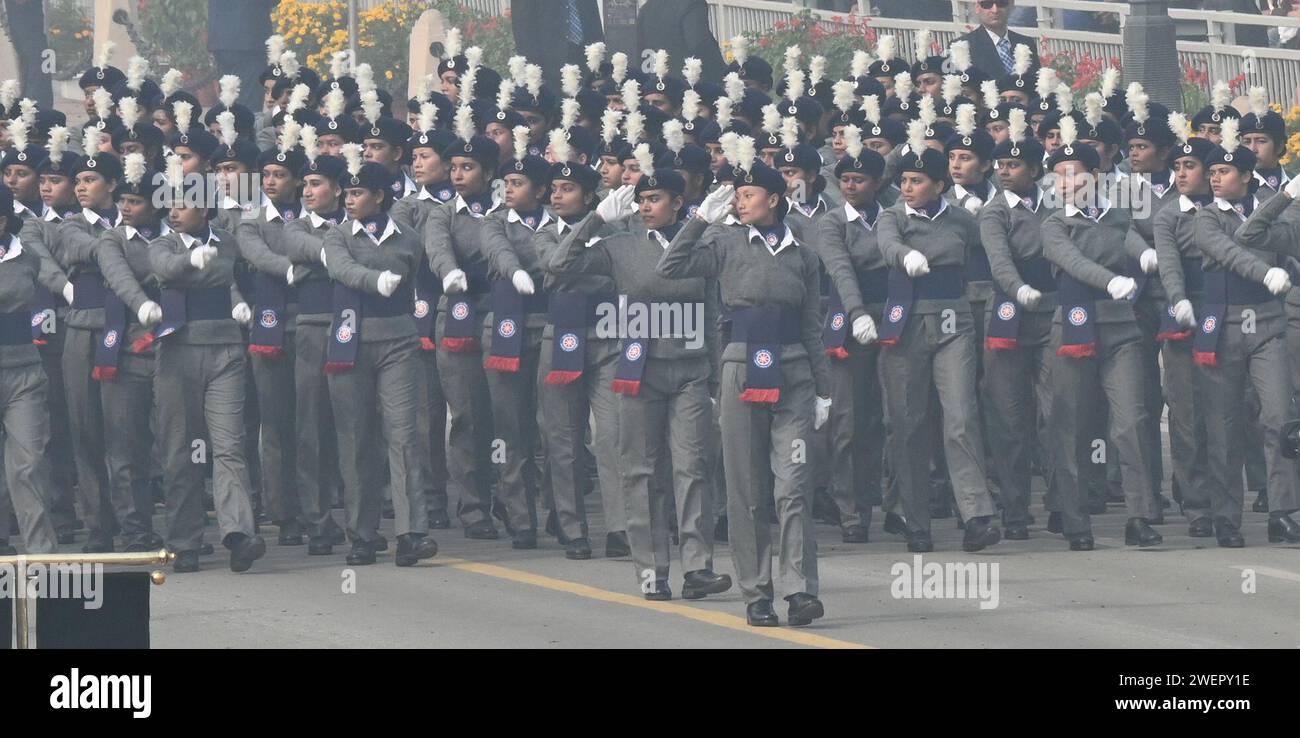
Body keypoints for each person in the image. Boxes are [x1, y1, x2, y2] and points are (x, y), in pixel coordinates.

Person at [656, 138, 826, 627]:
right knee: (747, 489)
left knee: (792, 486)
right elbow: (670, 267)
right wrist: (701, 220)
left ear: (774, 199)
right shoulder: (725, 242)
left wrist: (825, 390)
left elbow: (813, 325)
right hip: (740, 367)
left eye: (747, 194)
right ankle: (757, 591)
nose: (739, 202)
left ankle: (798, 590)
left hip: (793, 371)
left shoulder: (803, 255)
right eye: (737, 195)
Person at [550, 147, 728, 601]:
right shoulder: (620, 244)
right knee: (641, 471)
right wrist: (594, 220)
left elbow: (711, 310)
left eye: (655, 199)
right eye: (641, 199)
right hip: (638, 369)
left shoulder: (702, 244)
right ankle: (652, 570)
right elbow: (560, 266)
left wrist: (713, 375)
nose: (645, 206)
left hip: (689, 371)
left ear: (678, 203)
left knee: (693, 468)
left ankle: (697, 568)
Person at [875, 121, 1003, 554]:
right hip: (906, 322)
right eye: (904, 180)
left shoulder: (963, 220)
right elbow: (887, 245)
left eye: (917, 181)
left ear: (940, 185)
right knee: (909, 423)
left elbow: (976, 256)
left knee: (961, 417)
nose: (907, 188)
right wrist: (906, 255)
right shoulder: (892, 217)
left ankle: (977, 515)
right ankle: (915, 519)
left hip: (954, 321)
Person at [1040, 117, 1158, 551]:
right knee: (1071, 426)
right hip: (1073, 330)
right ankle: (1074, 519)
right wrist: (1111, 281)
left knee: (1131, 421)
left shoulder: (1118, 214)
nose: (1066, 182)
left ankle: (1141, 514)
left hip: (1120, 331)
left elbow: (1129, 240)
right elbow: (1071, 261)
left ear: (1096, 176)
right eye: (1060, 175)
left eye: (1075, 174)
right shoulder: (1054, 225)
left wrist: (1145, 255)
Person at [320, 147, 439, 567]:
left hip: (399, 342)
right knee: (356, 440)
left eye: (357, 193)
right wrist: (377, 280)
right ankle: (362, 534)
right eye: (347, 193)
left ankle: (412, 532)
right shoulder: (337, 235)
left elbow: (422, 285)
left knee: (404, 436)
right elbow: (341, 270)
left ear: (380, 197)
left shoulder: (409, 238)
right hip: (350, 342)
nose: (349, 200)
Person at [149, 156, 267, 573]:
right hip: (178, 353)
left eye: (184, 204)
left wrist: (198, 273)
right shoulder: (160, 244)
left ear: (206, 209)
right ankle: (184, 539)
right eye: (171, 204)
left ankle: (238, 534)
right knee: (180, 448)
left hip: (224, 351)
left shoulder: (228, 242)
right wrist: (190, 264)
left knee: (230, 446)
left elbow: (221, 270)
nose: (174, 211)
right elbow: (164, 269)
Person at [1197, 122, 1300, 545]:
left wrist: (1282, 200)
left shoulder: (1264, 211)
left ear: (1245, 176)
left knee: (1279, 419)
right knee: (1224, 426)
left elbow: (1272, 236)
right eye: (1213, 173)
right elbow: (1235, 245)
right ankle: (1225, 516)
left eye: (1224, 171)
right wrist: (1267, 270)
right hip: (1223, 328)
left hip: (1268, 325)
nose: (1215, 179)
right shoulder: (1204, 218)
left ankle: (1282, 510)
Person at [532, 147, 625, 560]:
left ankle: (621, 527)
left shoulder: (620, 234)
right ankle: (572, 527)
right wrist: (594, 224)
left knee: (612, 436)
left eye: (567, 189)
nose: (556, 196)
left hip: (609, 337)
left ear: (589, 196)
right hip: (561, 338)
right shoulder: (545, 232)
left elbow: (620, 275)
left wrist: (597, 233)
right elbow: (556, 263)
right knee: (563, 439)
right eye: (553, 189)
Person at [814, 128, 901, 542]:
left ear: (878, 183)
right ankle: (851, 510)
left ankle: (894, 502)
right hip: (850, 323)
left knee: (892, 416)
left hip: (896, 317)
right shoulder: (832, 222)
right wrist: (857, 314)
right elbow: (841, 271)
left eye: (859, 180)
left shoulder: (894, 214)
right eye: (845, 179)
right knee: (848, 420)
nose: (850, 186)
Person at [426, 105, 503, 541]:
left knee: (510, 417)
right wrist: (453, 273)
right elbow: (438, 251)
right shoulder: (442, 212)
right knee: (469, 416)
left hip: (505, 316)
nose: (456, 175)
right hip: (459, 317)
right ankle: (474, 506)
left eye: (467, 167)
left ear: (488, 172)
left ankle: (516, 502)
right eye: (453, 167)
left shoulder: (505, 210)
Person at [978, 109, 1053, 539]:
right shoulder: (993, 213)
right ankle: (1014, 507)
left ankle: (1062, 503)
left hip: (1053, 315)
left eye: (1014, 165)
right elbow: (1000, 261)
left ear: (1035, 170)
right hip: (1008, 314)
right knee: (1008, 416)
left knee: (1056, 412)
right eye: (1001, 165)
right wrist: (1019, 287)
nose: (1005, 172)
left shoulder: (1054, 208)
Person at [479, 129, 553, 549]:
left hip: (546, 329)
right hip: (504, 331)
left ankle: (560, 512)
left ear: (540, 191)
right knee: (511, 428)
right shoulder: (493, 222)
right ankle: (521, 515)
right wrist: (516, 270)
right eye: (506, 183)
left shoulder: (555, 225)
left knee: (551, 427)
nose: (509, 190)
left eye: (519, 184)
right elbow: (496, 250)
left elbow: (558, 260)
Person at [281, 129, 350, 555]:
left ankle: (358, 520)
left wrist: (322, 265)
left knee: (354, 427)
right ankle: (318, 521)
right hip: (309, 328)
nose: (307, 191)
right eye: (304, 184)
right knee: (311, 428)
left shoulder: (357, 224)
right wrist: (333, 262)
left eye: (316, 184)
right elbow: (302, 255)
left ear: (338, 190)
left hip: (351, 326)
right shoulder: (294, 228)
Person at [94, 152, 167, 552]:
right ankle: (135, 530)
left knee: (176, 444)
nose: (125, 207)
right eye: (122, 199)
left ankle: (184, 530)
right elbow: (118, 277)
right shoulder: (112, 238)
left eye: (135, 201)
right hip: (125, 351)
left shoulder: (171, 236)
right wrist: (144, 302)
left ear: (156, 204)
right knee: (126, 447)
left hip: (172, 349)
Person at [1152, 115, 1220, 541]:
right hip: (1181, 316)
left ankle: (1222, 496)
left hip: (1223, 312)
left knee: (1223, 411)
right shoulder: (1167, 215)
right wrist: (1179, 302)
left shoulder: (1222, 212)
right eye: (1176, 167)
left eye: (1189, 167)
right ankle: (1196, 503)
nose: (1180, 174)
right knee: (1186, 413)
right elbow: (1169, 266)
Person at [0, 182, 59, 554]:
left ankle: (43, 554)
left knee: (29, 463)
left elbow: (22, 293)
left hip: (22, 369)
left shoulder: (26, 257)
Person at [512, 0, 604, 92]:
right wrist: (534, 72)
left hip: (586, 58)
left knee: (587, 102)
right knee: (558, 103)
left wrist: (601, 66)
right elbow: (523, 30)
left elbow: (594, 18)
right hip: (550, 63)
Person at [637, 0, 729, 86]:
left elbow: (640, 47)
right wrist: (723, 74)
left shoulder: (647, 7)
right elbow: (699, 44)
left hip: (655, 83)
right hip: (687, 83)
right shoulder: (692, 3)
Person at [958, 0, 1039, 82]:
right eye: (987, 4)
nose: (995, 10)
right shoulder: (962, 47)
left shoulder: (1026, 43)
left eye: (1001, 3)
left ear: (1011, 5)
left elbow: (1035, 84)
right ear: (977, 8)